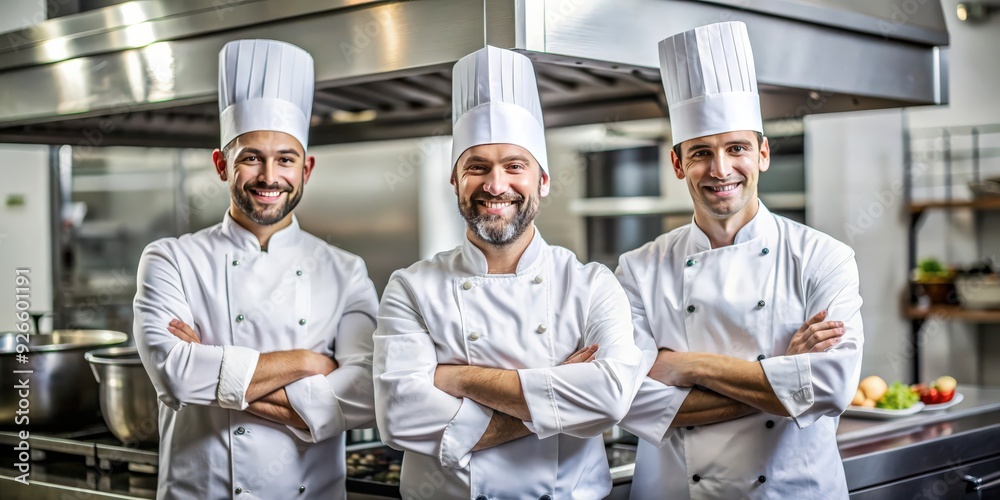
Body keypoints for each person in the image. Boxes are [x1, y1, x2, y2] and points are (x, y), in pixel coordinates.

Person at [372, 46, 647, 500]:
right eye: (476, 167)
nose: (495, 186)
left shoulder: (593, 283)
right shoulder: (411, 287)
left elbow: (610, 398)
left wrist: (457, 378)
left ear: (542, 180)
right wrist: (558, 390)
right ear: (455, 180)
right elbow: (400, 418)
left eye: (514, 167)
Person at [616, 22, 864, 498]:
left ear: (763, 154)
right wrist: (783, 378)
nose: (721, 169)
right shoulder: (638, 269)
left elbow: (831, 388)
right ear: (676, 164)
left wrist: (686, 366)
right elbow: (629, 402)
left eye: (737, 149)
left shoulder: (823, 258)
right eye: (701, 153)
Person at [133, 39, 378, 499]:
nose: (269, 177)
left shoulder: (346, 271)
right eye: (251, 158)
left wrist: (214, 373)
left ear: (306, 168)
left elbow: (366, 393)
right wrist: (310, 363)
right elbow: (176, 375)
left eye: (285, 159)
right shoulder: (170, 259)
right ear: (222, 164)